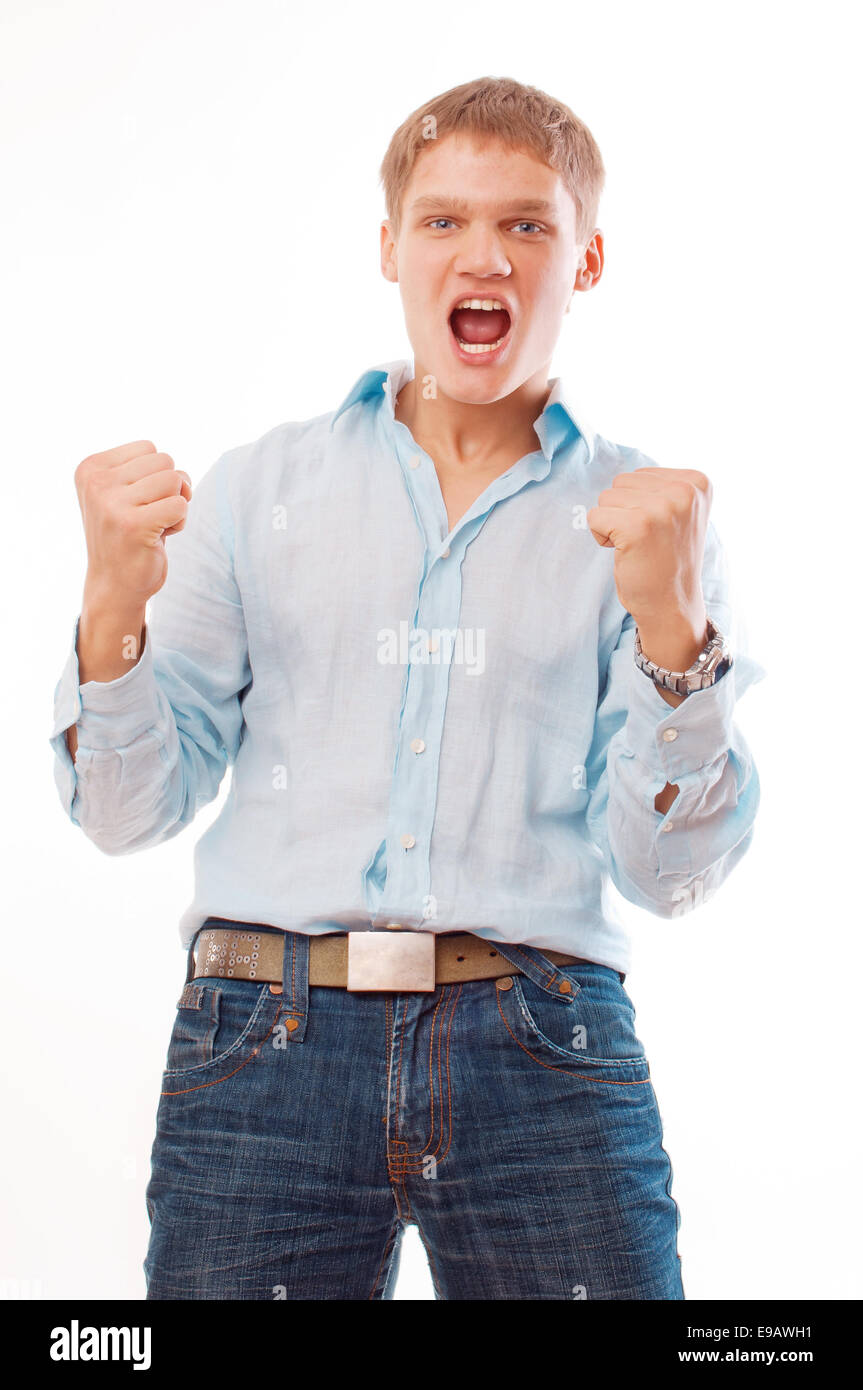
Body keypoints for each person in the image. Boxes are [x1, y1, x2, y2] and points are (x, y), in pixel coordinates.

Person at [49, 75, 764, 1300]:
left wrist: (671, 632)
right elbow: (125, 813)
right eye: (441, 220)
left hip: (543, 1041)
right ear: (389, 248)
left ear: (584, 258)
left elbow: (665, 876)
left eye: (525, 224)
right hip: (261, 1043)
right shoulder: (251, 489)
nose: (480, 253)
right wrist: (112, 604)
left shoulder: (656, 524)